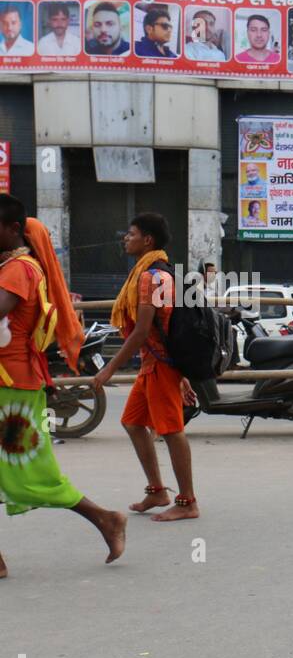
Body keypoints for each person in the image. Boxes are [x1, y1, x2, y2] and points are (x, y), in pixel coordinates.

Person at [0, 195, 126, 578]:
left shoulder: (19, 269)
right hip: (12, 382)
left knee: (33, 475)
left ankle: (105, 518)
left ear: (14, 229)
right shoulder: (12, 266)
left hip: (12, 386)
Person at [91, 212, 200, 522]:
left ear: (147, 240)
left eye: (131, 233)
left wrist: (108, 369)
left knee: (172, 431)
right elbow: (165, 327)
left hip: (160, 365)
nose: (126, 238)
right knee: (133, 422)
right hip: (158, 364)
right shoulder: (159, 272)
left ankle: (187, 501)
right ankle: (157, 491)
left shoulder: (150, 276)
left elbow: (142, 331)